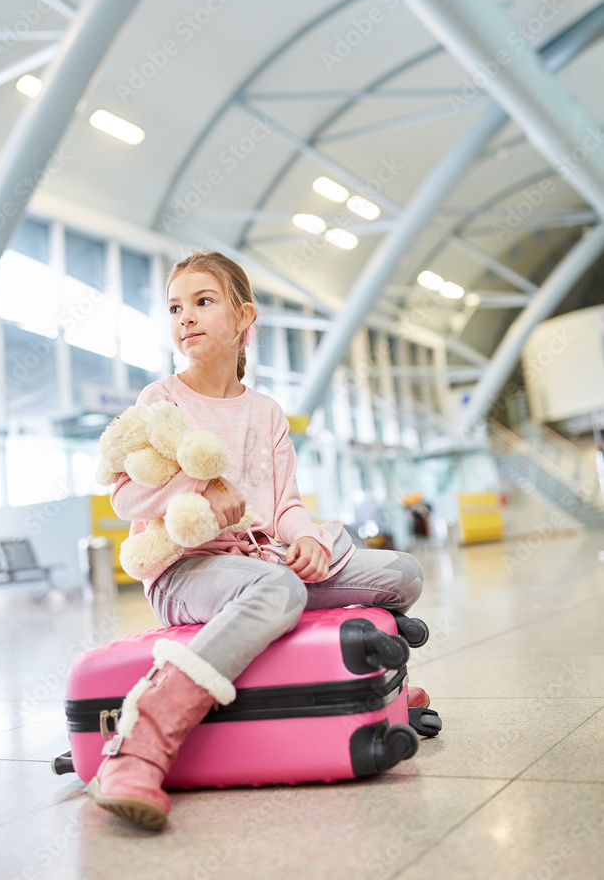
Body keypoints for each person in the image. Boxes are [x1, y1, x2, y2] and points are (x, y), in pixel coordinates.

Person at [88, 250, 428, 830]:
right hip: (186, 570)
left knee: (402, 573)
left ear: (244, 318)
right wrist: (198, 482)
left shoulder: (268, 413)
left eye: (203, 302)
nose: (185, 317)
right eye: (175, 307)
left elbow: (287, 505)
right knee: (278, 591)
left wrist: (308, 542)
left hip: (265, 563)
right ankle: (141, 740)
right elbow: (125, 498)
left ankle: (369, 684)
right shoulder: (161, 400)